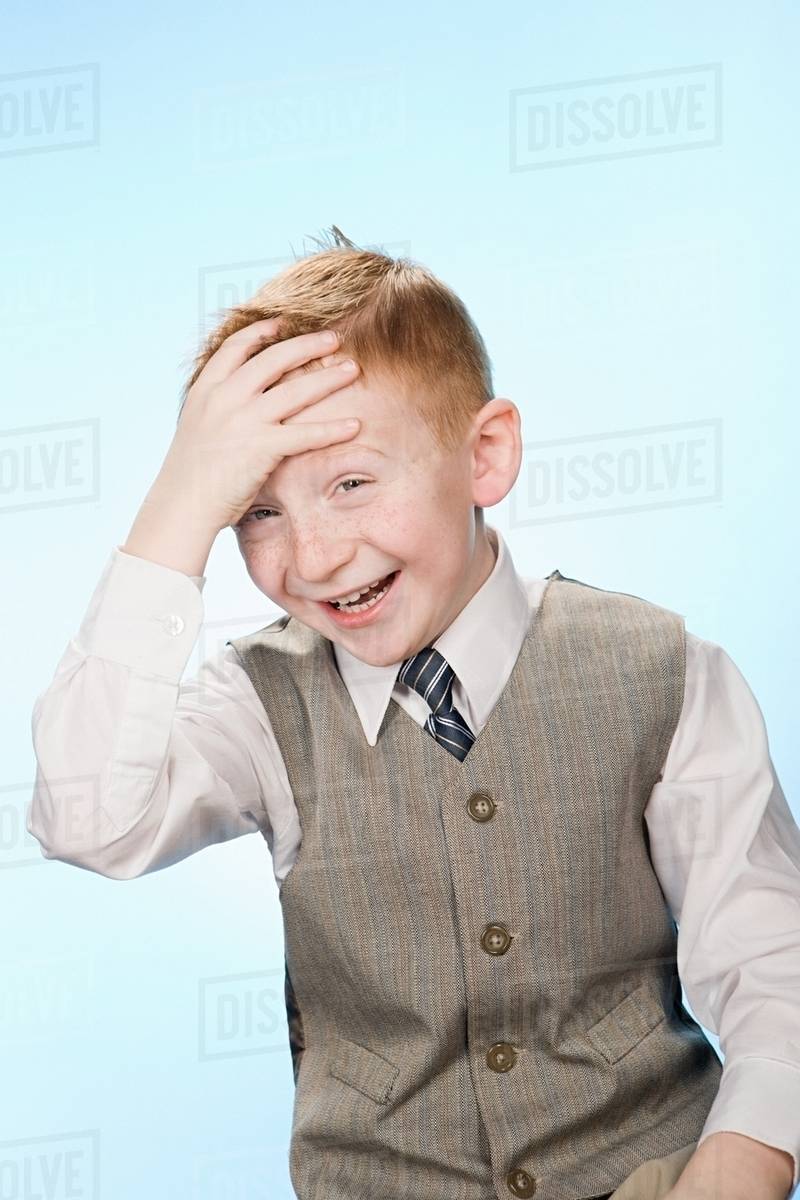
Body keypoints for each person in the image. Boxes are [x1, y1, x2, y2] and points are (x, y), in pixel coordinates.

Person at [28, 228, 800, 1200]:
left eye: (351, 484)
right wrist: (176, 508)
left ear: (483, 454)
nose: (309, 559)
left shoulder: (664, 676)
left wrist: (740, 1162)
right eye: (254, 512)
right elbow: (88, 818)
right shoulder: (257, 708)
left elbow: (776, 976)